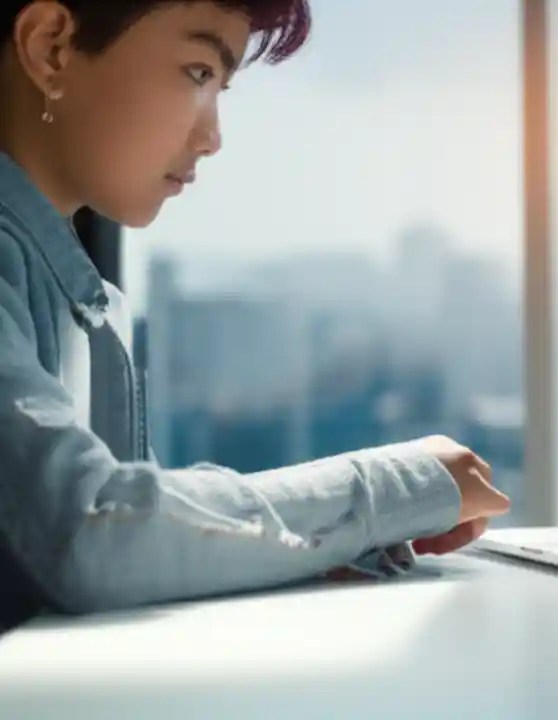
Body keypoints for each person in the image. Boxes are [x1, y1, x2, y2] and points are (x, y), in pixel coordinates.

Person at [0, 0, 511, 630]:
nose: (212, 137)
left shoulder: (76, 299)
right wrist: (393, 489)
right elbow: (91, 533)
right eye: (197, 73)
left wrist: (340, 539)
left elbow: (147, 541)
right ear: (51, 47)